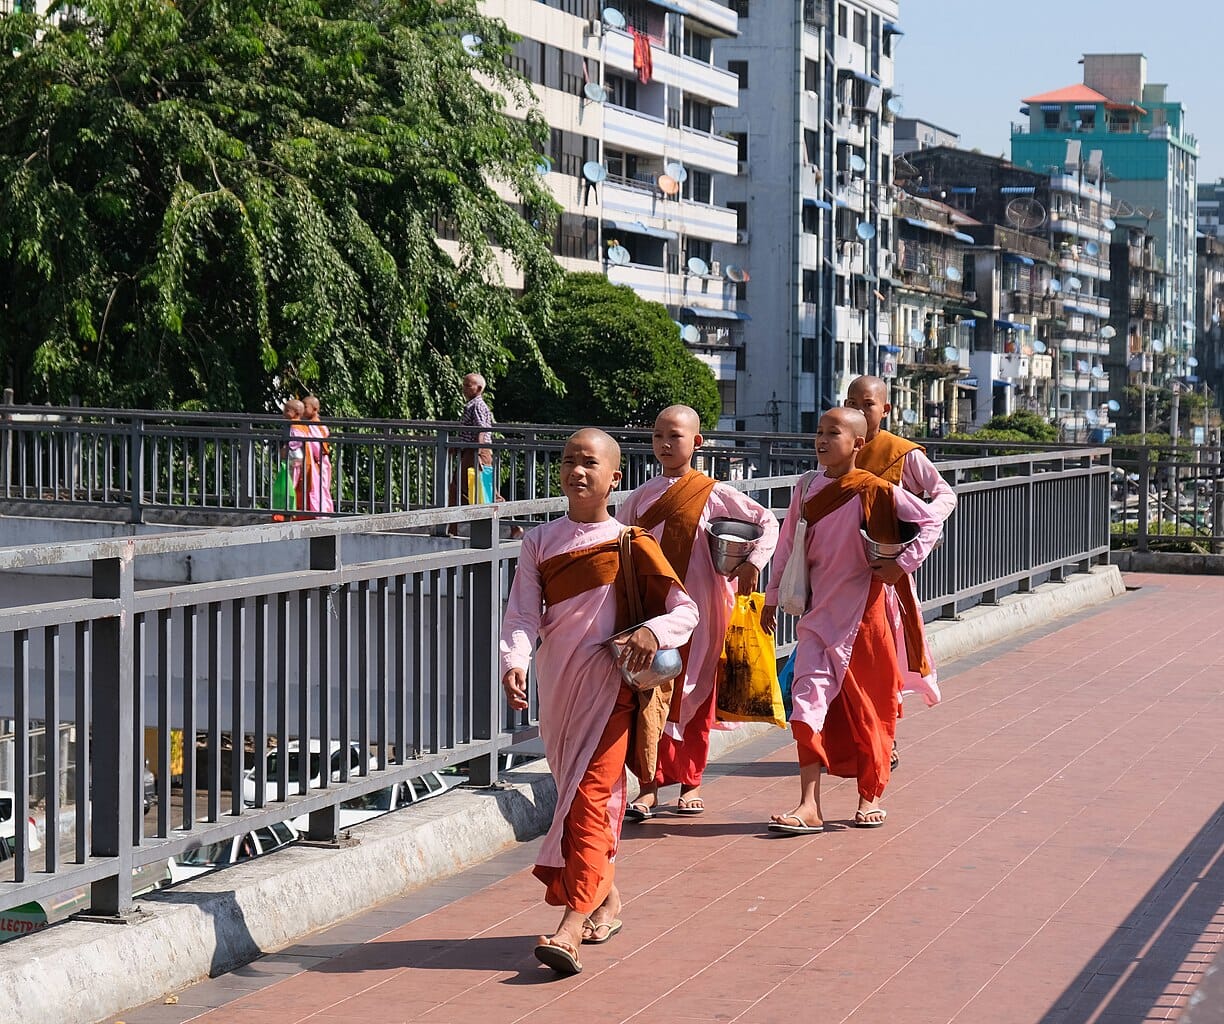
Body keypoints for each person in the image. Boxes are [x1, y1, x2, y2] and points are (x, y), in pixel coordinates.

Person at [500, 428, 698, 974]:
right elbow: (522, 614)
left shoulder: (631, 542)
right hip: (559, 691)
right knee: (577, 797)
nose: (577, 471)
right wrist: (515, 661)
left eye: (589, 462)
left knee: (590, 799)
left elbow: (686, 611)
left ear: (614, 478)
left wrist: (652, 632)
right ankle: (606, 899)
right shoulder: (540, 541)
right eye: (569, 461)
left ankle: (570, 927)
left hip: (610, 691)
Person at [761, 407, 941, 835]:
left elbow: (930, 520)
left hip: (865, 616)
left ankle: (869, 796)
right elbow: (786, 544)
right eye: (819, 432)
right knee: (805, 704)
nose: (822, 440)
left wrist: (901, 564)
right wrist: (771, 596)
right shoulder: (806, 488)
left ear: (858, 444)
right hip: (818, 616)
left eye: (833, 433)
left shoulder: (875, 489)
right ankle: (809, 804)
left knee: (870, 711)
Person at [617, 405, 778, 818]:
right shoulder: (640, 497)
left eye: (675, 436)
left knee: (697, 695)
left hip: (705, 613)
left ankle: (691, 783)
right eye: (658, 436)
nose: (665, 444)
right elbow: (617, 542)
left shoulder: (715, 493)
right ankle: (648, 787)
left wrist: (752, 563)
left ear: (697, 442)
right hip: (653, 615)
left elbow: (767, 522)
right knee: (649, 695)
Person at [844, 375, 956, 767]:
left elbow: (945, 495)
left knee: (884, 656)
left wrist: (911, 543)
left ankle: (884, 738)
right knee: (844, 659)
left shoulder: (902, 453)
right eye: (851, 403)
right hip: (842, 573)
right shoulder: (841, 447)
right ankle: (850, 738)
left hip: (885, 572)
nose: (859, 411)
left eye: (867, 404)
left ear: (885, 409)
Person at [299, 395, 335, 515]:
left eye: (305, 407)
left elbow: (317, 445)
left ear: (315, 409)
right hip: (313, 461)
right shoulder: (307, 425)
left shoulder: (317, 425)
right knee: (313, 487)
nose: (302, 410)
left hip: (319, 461)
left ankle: (323, 512)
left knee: (321, 487)